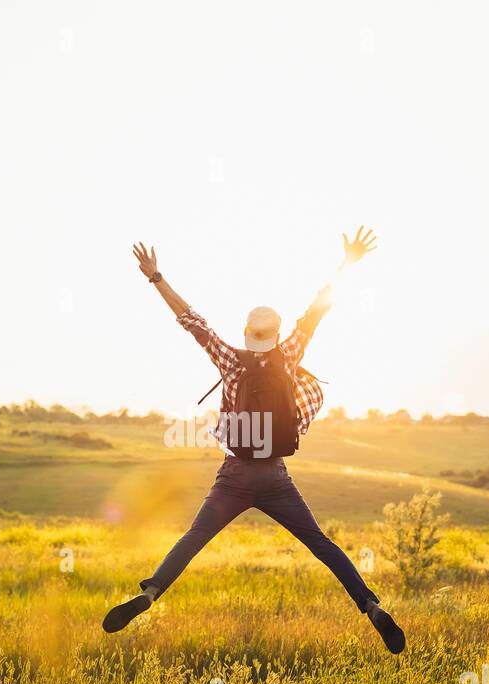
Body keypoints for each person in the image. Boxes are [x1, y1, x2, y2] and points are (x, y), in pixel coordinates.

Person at [102, 228, 406, 654]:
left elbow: (190, 319)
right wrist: (348, 263)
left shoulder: (229, 359)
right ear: (277, 333)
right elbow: (318, 309)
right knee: (321, 543)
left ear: (247, 332)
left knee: (194, 537)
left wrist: (156, 277)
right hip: (276, 478)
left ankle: (151, 592)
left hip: (235, 476)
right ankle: (370, 605)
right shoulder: (290, 353)